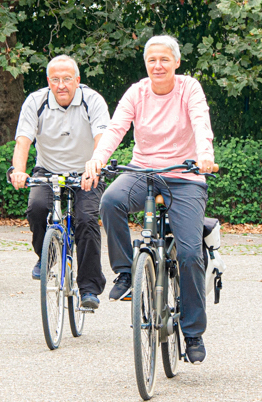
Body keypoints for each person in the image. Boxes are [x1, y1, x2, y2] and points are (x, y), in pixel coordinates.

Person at [81, 35, 215, 364]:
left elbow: (200, 122)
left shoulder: (189, 89)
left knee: (188, 253)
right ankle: (126, 272)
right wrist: (96, 159)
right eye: (151, 60)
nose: (157, 65)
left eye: (164, 59)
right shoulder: (137, 92)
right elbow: (115, 130)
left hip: (184, 176)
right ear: (145, 64)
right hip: (143, 171)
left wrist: (205, 155)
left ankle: (193, 331)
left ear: (176, 63)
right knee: (110, 200)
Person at [10, 55, 110, 310]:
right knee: (36, 208)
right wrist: (19, 171)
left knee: (87, 219)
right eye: (55, 79)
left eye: (67, 79)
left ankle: (89, 287)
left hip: (87, 169)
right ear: (48, 81)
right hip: (48, 169)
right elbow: (23, 140)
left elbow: (102, 137)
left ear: (77, 80)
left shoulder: (92, 100)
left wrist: (95, 166)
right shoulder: (36, 101)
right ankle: (47, 257)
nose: (61, 85)